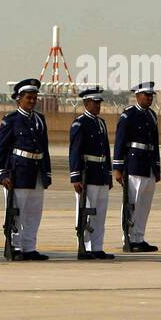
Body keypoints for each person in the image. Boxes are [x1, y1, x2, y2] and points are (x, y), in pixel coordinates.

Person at [0, 79, 51, 260]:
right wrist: (2, 173)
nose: (33, 101)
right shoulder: (10, 120)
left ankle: (29, 247)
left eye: (35, 98)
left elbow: (44, 147)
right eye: (29, 98)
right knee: (16, 212)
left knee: (34, 213)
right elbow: (1, 149)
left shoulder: (39, 119)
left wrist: (47, 173)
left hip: (36, 172)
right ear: (19, 99)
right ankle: (15, 247)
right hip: (18, 172)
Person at [113, 82, 160, 252]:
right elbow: (120, 142)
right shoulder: (128, 115)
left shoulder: (152, 116)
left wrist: (157, 168)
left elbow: (155, 143)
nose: (149, 98)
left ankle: (139, 237)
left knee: (144, 204)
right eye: (146, 95)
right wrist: (117, 167)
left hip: (148, 164)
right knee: (131, 203)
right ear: (137, 96)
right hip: (134, 164)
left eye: (151, 95)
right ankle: (128, 237)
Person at [70, 87, 114, 259]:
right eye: (95, 103)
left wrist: (108, 175)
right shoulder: (80, 123)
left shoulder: (100, 123)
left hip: (100, 172)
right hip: (87, 174)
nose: (98, 106)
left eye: (99, 103)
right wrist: (75, 176)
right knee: (86, 211)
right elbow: (75, 151)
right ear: (86, 103)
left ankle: (97, 246)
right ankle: (85, 246)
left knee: (100, 213)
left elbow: (106, 151)